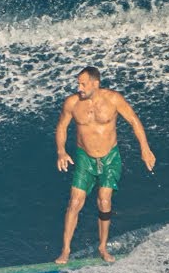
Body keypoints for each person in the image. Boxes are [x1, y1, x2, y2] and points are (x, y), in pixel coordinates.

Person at [54, 66, 155, 263]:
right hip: (85, 157)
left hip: (110, 157)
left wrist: (145, 148)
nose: (79, 87)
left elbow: (134, 120)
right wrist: (61, 151)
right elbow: (62, 127)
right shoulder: (72, 103)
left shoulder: (113, 99)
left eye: (83, 84)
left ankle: (102, 247)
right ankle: (65, 250)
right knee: (75, 202)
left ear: (95, 83)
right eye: (78, 83)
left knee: (105, 200)